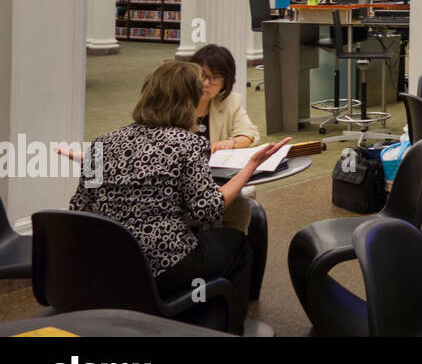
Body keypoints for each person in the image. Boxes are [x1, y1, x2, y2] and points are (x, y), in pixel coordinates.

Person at [68, 60, 290, 333]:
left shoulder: (102, 142)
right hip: (164, 265)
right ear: (188, 102)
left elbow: (80, 207)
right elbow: (208, 210)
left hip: (107, 262)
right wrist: (250, 166)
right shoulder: (188, 143)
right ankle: (227, 328)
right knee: (237, 245)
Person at [189, 43, 259, 232]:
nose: (206, 83)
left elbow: (250, 134)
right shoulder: (177, 103)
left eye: (215, 78)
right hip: (182, 182)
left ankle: (232, 247)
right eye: (202, 75)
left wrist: (232, 142)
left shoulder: (229, 101)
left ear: (225, 82)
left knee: (240, 207)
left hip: (216, 181)